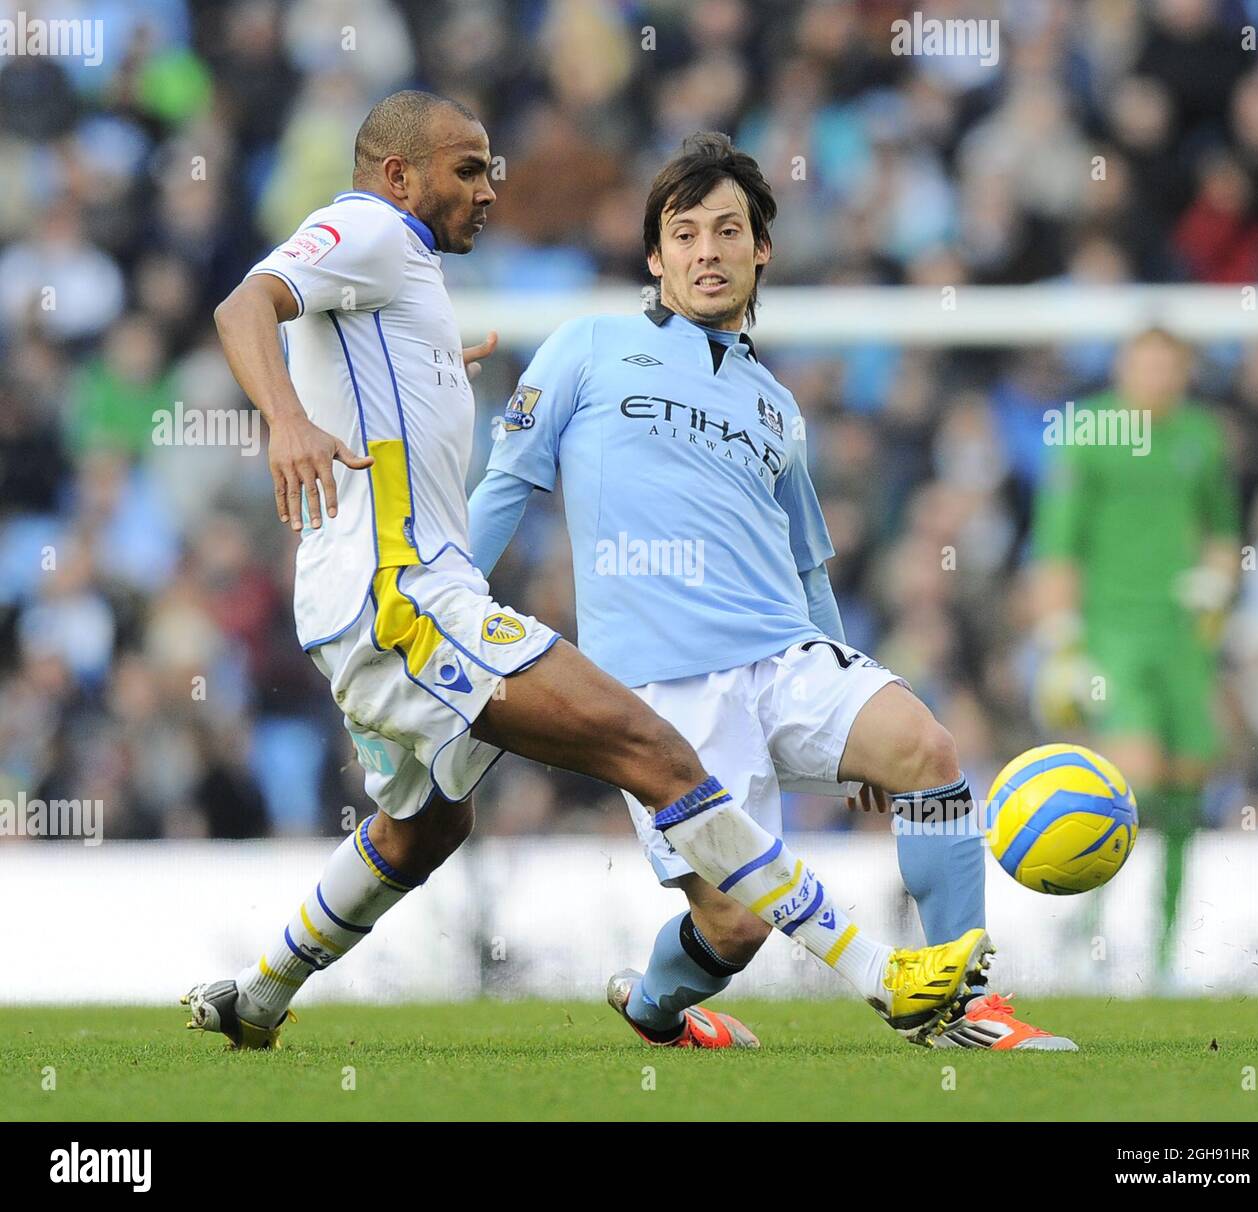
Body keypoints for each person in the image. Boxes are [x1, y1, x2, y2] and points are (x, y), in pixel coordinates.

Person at [185, 93, 991, 1050]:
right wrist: (282, 420)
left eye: (490, 169)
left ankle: (258, 997)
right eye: (468, 170)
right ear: (399, 176)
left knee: (425, 832)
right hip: (409, 600)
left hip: (387, 605)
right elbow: (248, 303)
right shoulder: (373, 228)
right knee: (657, 755)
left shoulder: (417, 287)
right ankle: (881, 976)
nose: (490, 190)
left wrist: (430, 363)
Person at [468, 132, 1066, 1051]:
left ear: (761, 252)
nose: (707, 251)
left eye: (727, 231)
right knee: (736, 926)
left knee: (928, 749)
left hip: (784, 652)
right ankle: (657, 1008)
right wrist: (448, 610)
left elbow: (806, 564)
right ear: (654, 255)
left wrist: (856, 691)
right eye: (685, 233)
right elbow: (508, 484)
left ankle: (968, 1003)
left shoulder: (774, 402)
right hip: (660, 691)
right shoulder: (587, 346)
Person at [1033, 327, 1240, 981]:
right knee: (1134, 778)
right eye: (1143, 363)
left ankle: (1164, 956)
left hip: (1182, 638)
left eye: (1167, 365)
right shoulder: (1088, 432)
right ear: (1123, 367)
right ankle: (1088, 933)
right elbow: (1057, 545)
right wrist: (1062, 642)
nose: (1154, 376)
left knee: (1184, 788)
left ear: (1183, 371)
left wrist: (1216, 585)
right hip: (1112, 633)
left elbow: (1223, 533)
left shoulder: (1202, 436)